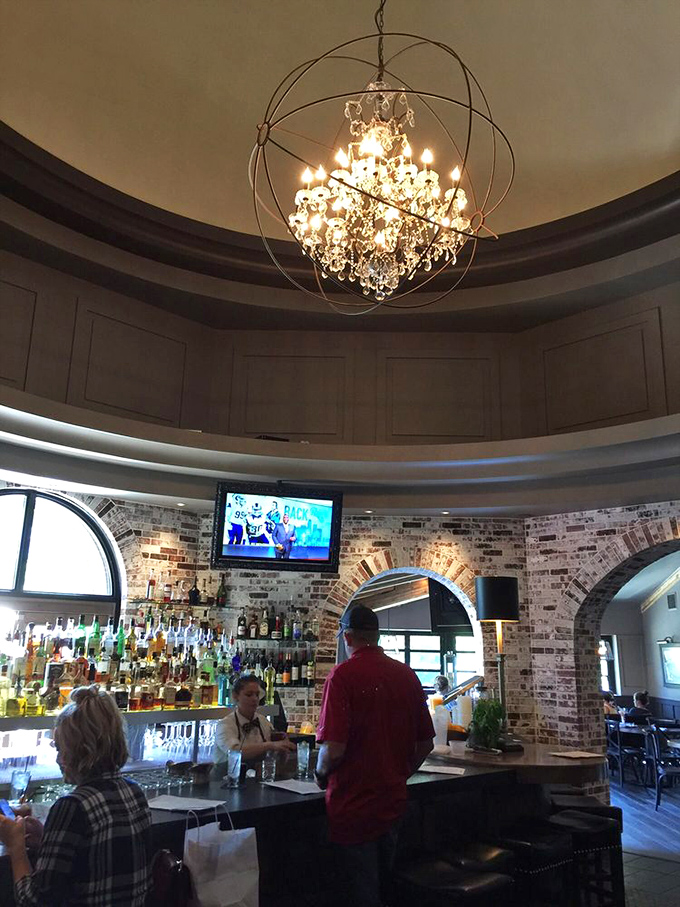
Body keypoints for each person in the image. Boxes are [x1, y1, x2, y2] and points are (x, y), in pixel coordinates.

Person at [315, 605, 435, 907]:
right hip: (393, 802)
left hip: (352, 806)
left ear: (348, 636)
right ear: (376, 635)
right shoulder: (406, 674)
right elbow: (426, 744)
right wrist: (398, 773)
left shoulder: (342, 676)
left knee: (359, 893)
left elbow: (334, 748)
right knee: (386, 887)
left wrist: (319, 774)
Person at [0, 685, 151, 907]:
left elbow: (33, 901)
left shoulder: (72, 807)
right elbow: (94, 865)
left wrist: (16, 847)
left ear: (83, 751)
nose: (58, 759)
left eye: (61, 749)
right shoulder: (135, 792)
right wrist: (47, 841)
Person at [214, 674, 296, 767]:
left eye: (257, 694)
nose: (254, 699)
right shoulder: (225, 725)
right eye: (249, 695)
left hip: (255, 777)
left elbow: (273, 751)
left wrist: (281, 748)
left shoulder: (262, 721)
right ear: (235, 696)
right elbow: (234, 752)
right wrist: (270, 745)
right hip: (225, 778)